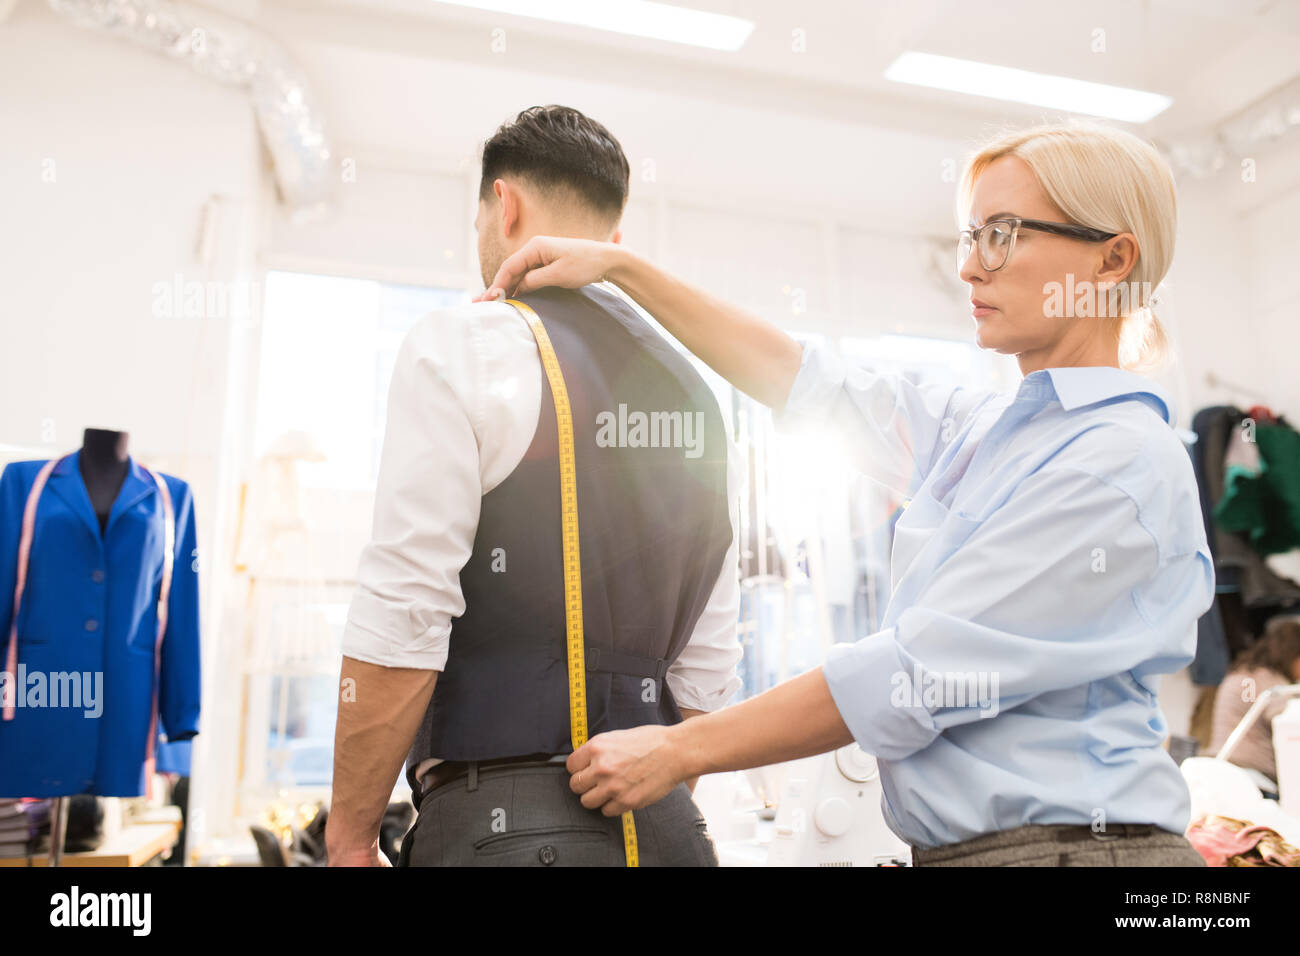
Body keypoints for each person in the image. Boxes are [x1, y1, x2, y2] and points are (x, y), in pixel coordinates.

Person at [480, 121, 1216, 867]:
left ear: (1111, 258)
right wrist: (622, 270)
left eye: (1001, 234)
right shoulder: (986, 431)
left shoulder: (1118, 462)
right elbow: (809, 383)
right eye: (970, 236)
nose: (969, 267)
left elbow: (911, 674)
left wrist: (680, 748)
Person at [325, 105, 742, 867]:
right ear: (612, 244)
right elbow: (707, 674)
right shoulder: (700, 395)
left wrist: (349, 837)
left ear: (504, 205)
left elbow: (404, 615)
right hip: (669, 828)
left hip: (498, 829)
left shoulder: (466, 343)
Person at [1209, 616, 1300, 783]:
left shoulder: (1240, 674)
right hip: (1254, 773)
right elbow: (1290, 723)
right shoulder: (1271, 683)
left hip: (1223, 764)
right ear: (1292, 655)